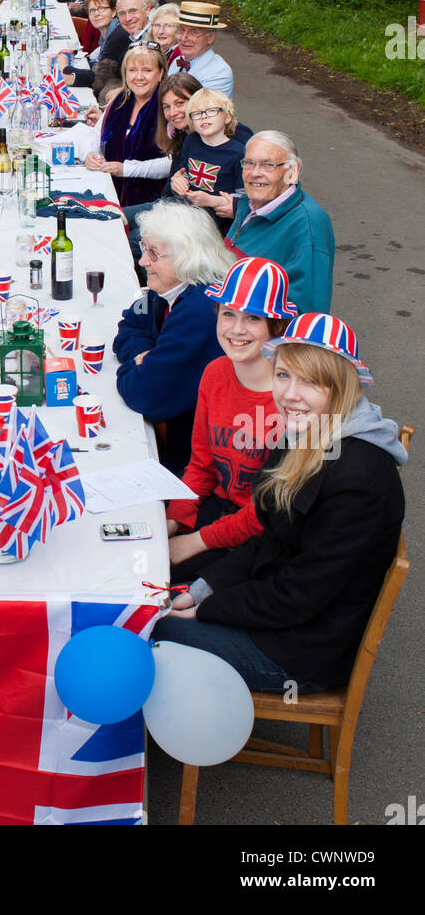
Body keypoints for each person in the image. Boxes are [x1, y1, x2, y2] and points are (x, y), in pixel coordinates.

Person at [154, 316, 406, 693]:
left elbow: (298, 598)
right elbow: (267, 536)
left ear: (342, 388)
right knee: (146, 603)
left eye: (310, 381)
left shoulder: (360, 481)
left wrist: (204, 610)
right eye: (284, 375)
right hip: (278, 608)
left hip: (297, 651)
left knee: (143, 628)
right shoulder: (303, 431)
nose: (290, 394)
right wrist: (201, 589)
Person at [165, 258, 298, 576]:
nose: (237, 330)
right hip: (218, 509)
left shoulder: (293, 400)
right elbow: (201, 467)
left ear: (275, 327)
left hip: (262, 536)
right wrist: (172, 521)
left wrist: (196, 541)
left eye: (253, 318)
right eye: (228, 314)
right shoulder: (214, 373)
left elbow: (272, 510)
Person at [114, 202, 230, 473]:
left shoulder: (200, 311)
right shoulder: (168, 288)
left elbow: (145, 395)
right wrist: (144, 354)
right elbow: (128, 324)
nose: (143, 262)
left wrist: (141, 365)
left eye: (154, 254)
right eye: (144, 249)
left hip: (200, 461)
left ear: (187, 257)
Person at [224, 131, 335, 312]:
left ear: (294, 170)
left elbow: (307, 310)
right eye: (249, 163)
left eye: (268, 165)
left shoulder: (308, 224)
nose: (254, 173)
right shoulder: (249, 205)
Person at [84, 44, 169, 206]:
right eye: (132, 70)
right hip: (110, 190)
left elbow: (174, 161)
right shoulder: (120, 101)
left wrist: (125, 169)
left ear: (161, 73)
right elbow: (95, 133)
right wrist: (90, 154)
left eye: (147, 70)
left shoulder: (167, 106)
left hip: (150, 202)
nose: (139, 77)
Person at [169, 88, 246, 233]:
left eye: (211, 111)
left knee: (145, 235)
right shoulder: (191, 141)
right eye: (197, 114)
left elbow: (244, 197)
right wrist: (179, 182)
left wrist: (211, 200)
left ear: (227, 117)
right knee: (126, 215)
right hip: (181, 204)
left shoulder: (239, 152)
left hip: (212, 218)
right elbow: (185, 173)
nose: (203, 117)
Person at [169, 1, 234, 96]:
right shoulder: (176, 62)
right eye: (182, 30)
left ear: (210, 37)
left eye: (194, 32)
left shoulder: (219, 73)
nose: (183, 38)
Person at [147, 2, 182, 67]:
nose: (161, 31)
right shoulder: (147, 52)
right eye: (157, 25)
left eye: (168, 26)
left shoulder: (181, 57)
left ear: (179, 29)